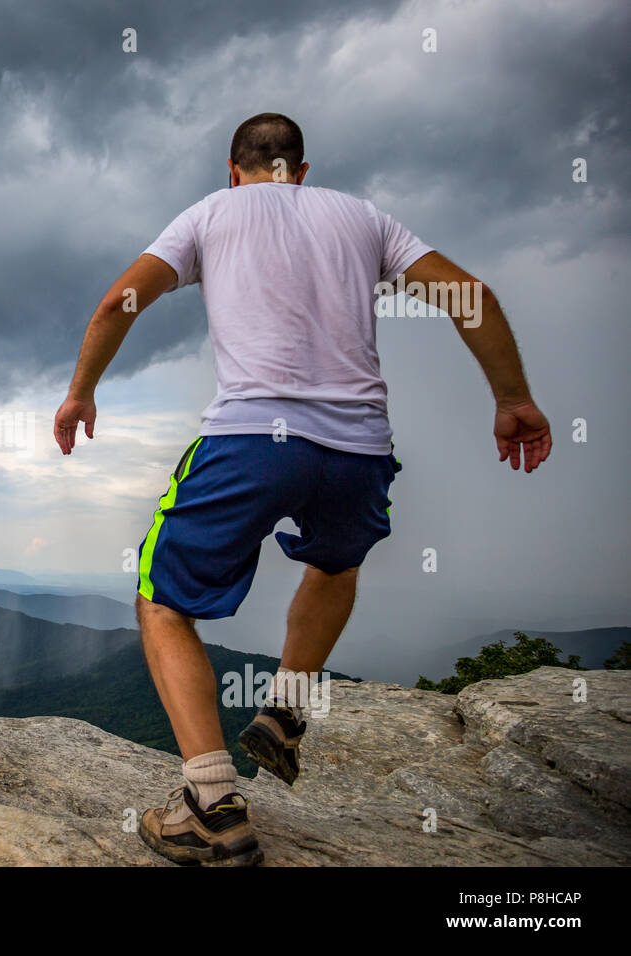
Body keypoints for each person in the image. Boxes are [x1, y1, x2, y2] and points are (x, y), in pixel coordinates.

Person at [53, 112, 551, 866]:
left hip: (252, 438)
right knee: (335, 564)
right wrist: (511, 397)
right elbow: (469, 295)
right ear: (301, 170)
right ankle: (286, 709)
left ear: (234, 168)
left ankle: (210, 805)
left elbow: (117, 302)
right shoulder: (364, 218)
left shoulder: (210, 214)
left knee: (162, 601)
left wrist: (82, 391)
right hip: (358, 448)